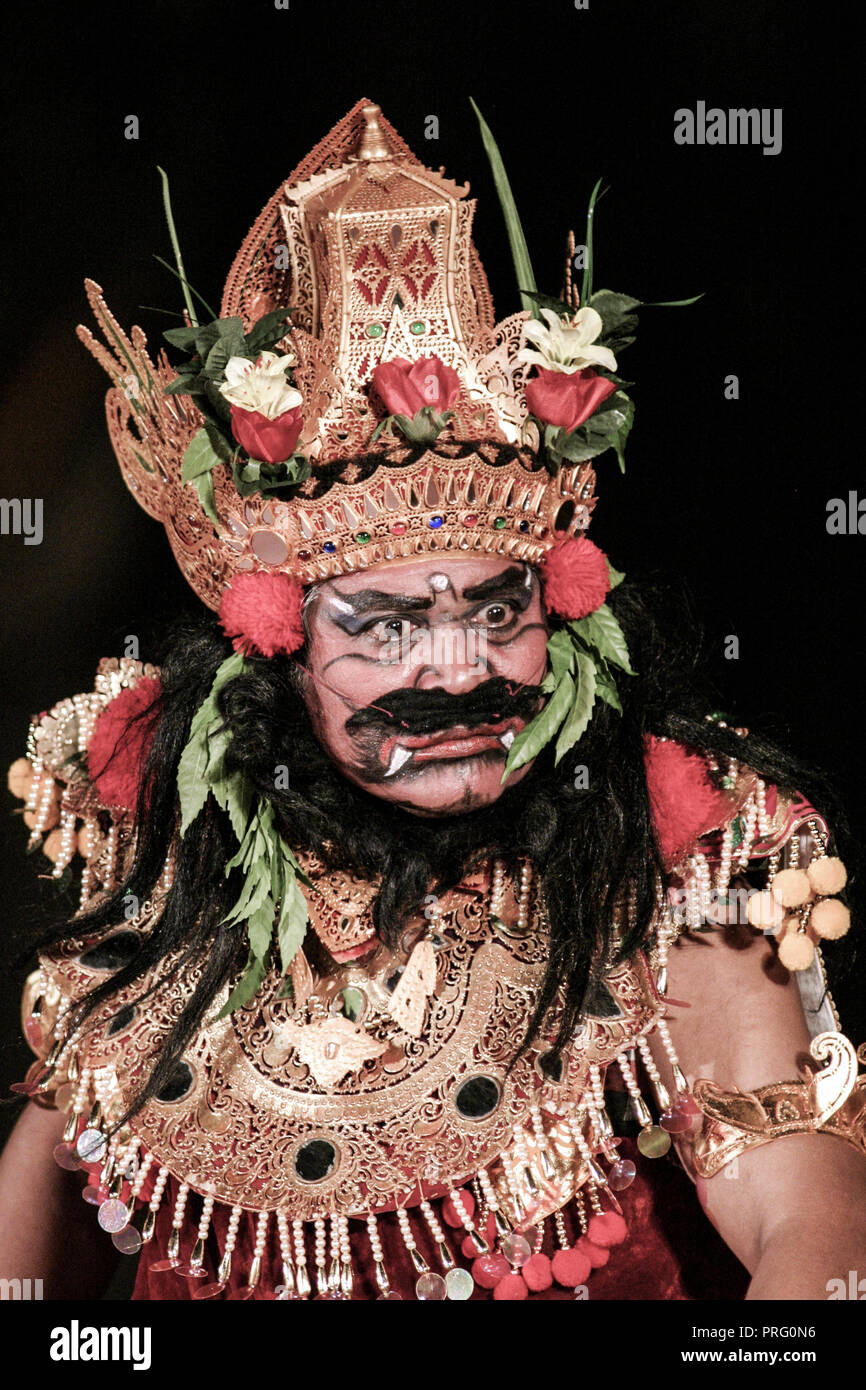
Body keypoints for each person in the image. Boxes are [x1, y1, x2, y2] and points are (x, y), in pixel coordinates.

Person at [1, 98, 864, 1302]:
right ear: (276, 644)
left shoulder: (660, 880)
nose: (458, 668)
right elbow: (36, 1213)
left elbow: (809, 1228)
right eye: (389, 624)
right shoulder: (172, 872)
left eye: (498, 612)